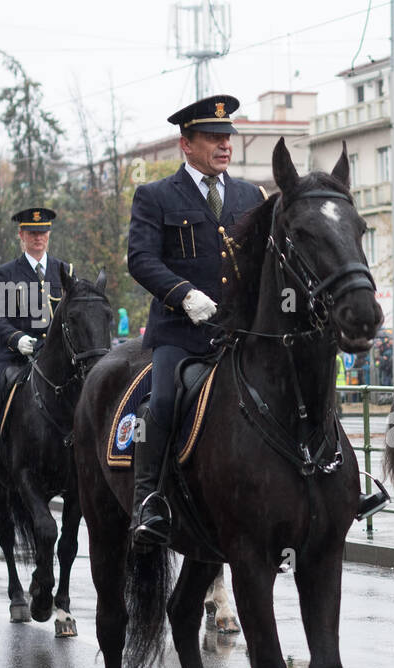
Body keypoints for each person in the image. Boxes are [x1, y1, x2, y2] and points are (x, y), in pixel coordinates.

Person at [125, 93, 267, 548]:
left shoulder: (250, 195)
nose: (224, 146)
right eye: (212, 137)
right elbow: (140, 259)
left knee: (295, 385)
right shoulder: (156, 196)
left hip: (241, 335)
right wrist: (182, 294)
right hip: (181, 334)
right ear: (185, 144)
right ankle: (149, 500)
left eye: (227, 137)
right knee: (161, 404)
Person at [0, 206, 73, 477]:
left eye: (43, 232)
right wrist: (18, 339)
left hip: (54, 356)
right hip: (15, 355)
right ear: (21, 236)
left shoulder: (64, 269)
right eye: (32, 233)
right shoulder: (7, 272)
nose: (38, 238)